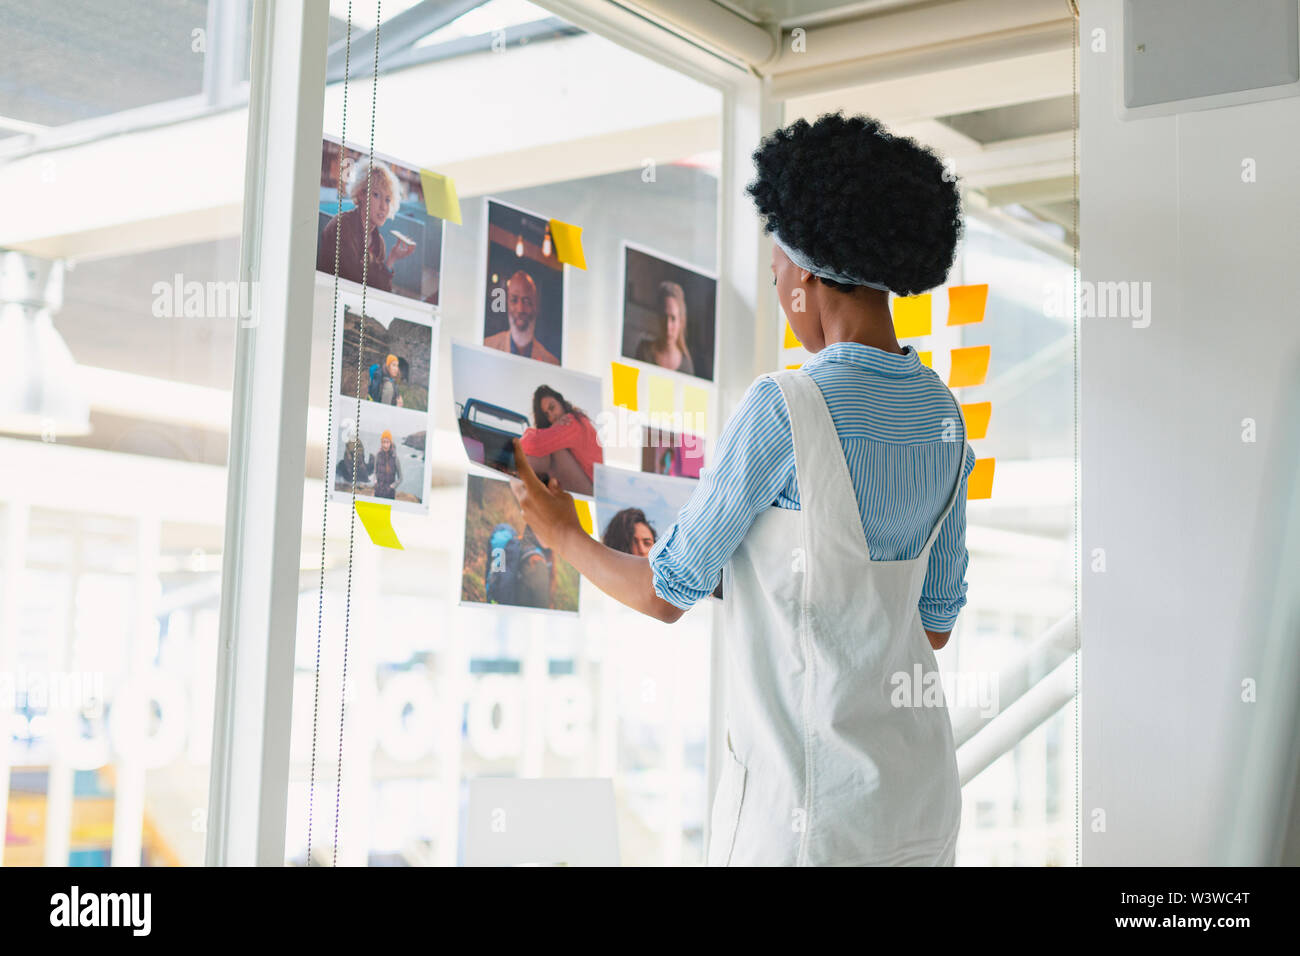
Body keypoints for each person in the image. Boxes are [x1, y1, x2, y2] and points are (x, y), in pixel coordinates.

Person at [510, 112, 974, 867]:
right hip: (918, 810)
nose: (780, 289)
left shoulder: (784, 407)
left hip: (805, 822)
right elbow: (935, 625)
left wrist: (563, 534)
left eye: (777, 274)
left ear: (810, 272)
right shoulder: (944, 417)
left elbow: (666, 594)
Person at [317, 158, 416, 292]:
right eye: (376, 195)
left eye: (387, 200)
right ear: (361, 194)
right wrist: (382, 270)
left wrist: (392, 258)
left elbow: (379, 292)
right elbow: (355, 280)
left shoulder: (379, 243)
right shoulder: (342, 226)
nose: (383, 206)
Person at [517, 385, 602, 496]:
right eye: (546, 414)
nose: (552, 416)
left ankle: (517, 477)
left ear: (560, 402)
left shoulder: (570, 422)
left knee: (551, 450)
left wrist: (544, 431)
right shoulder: (575, 419)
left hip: (594, 491)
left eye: (552, 408)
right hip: (591, 485)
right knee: (546, 448)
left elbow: (530, 444)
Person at [483, 270, 559, 365]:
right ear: (507, 303)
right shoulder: (486, 348)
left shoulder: (551, 363)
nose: (520, 309)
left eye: (526, 301)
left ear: (536, 306)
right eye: (514, 300)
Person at [633, 281, 694, 375]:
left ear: (680, 321)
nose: (668, 326)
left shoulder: (686, 366)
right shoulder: (644, 351)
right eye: (664, 317)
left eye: (673, 318)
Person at [373, 429, 402, 499]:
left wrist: (392, 486)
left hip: (390, 494)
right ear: (381, 442)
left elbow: (400, 478)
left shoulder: (395, 458)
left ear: (390, 443)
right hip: (378, 492)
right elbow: (375, 472)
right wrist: (375, 481)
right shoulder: (377, 455)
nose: (385, 445)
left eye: (387, 442)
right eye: (383, 442)